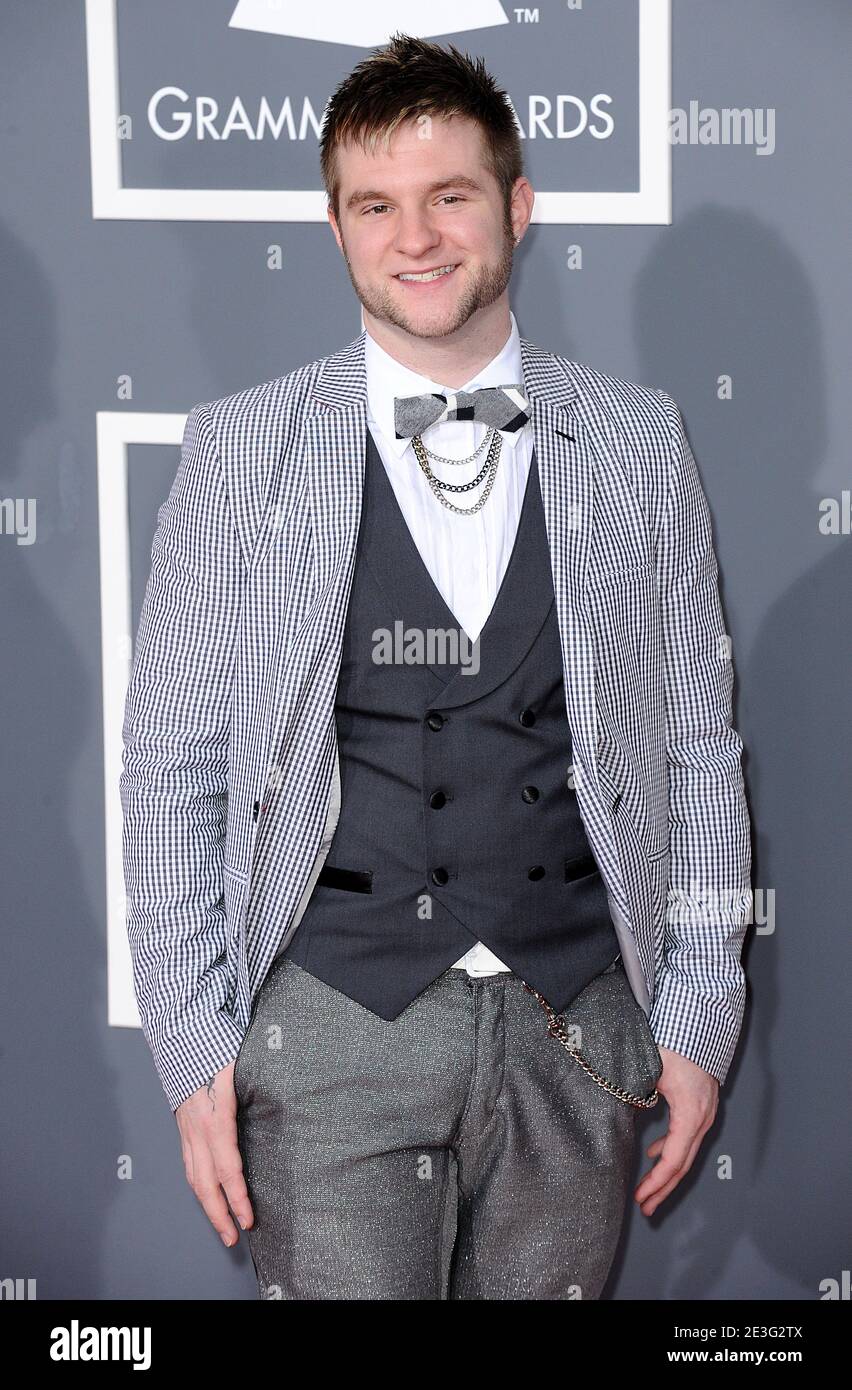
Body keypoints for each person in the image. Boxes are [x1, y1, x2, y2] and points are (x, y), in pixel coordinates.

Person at [120, 33, 752, 1300]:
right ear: (339, 227)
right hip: (329, 1032)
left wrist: (696, 1017)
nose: (415, 238)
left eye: (449, 195)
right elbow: (170, 766)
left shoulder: (636, 441)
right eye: (375, 205)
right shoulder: (240, 450)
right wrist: (195, 1047)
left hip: (579, 1030)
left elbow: (695, 747)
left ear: (515, 206)